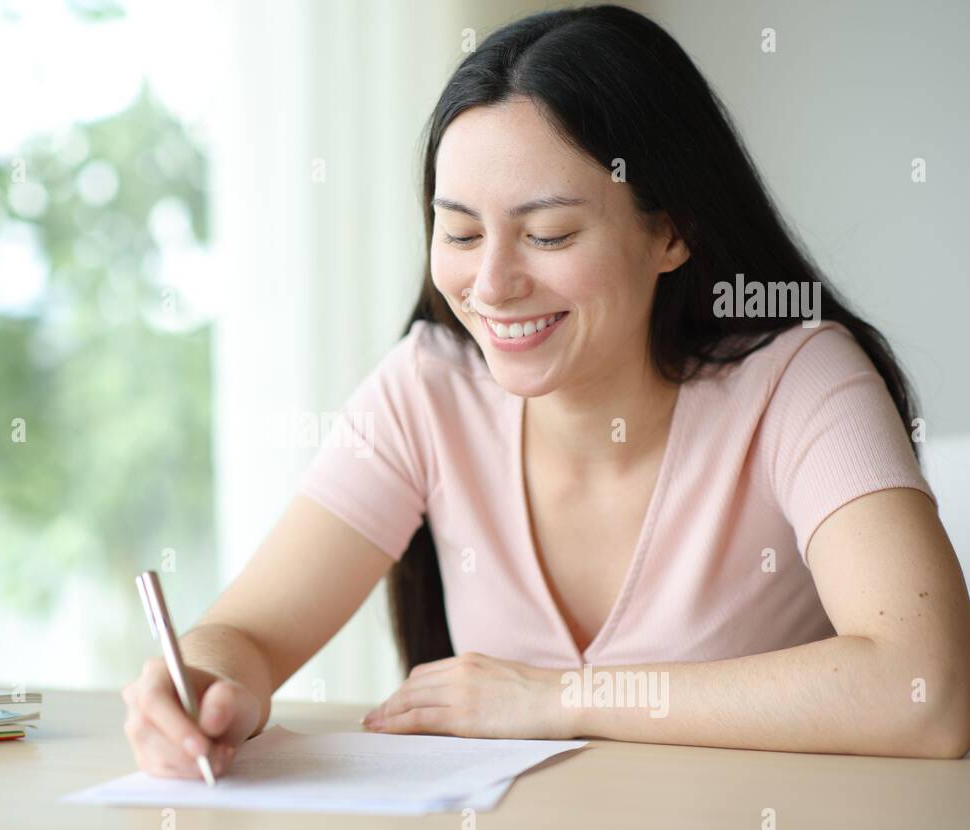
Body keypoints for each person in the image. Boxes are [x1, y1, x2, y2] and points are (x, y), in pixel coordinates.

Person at [122, 4, 970, 776]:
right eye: (458, 231)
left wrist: (557, 700)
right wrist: (205, 679)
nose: (490, 284)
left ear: (672, 230)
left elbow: (925, 688)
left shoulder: (801, 382)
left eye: (548, 233)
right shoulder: (429, 390)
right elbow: (251, 636)